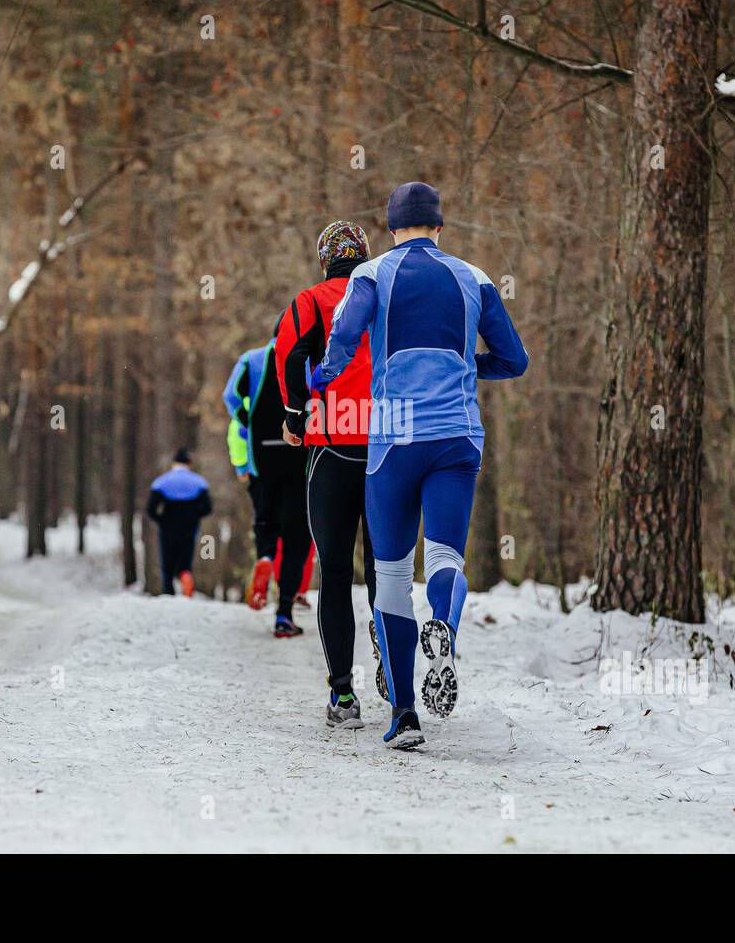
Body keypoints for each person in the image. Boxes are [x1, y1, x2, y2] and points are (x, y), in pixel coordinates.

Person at [313, 182, 528, 749]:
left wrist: (326, 376)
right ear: (439, 225)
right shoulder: (473, 277)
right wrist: (465, 368)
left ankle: (404, 714)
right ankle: (445, 629)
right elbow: (514, 359)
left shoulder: (372, 275)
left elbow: (345, 333)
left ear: (389, 228)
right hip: (456, 435)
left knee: (388, 575)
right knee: (446, 557)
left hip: (393, 439)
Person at [276, 220, 378, 730]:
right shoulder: (385, 292)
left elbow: (290, 354)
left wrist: (295, 418)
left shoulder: (311, 301)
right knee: (389, 568)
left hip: (332, 448)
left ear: (325, 260)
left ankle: (343, 695)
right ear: (364, 253)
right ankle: (394, 669)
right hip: (387, 446)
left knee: (335, 571)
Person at [222, 341, 312, 637]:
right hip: (299, 454)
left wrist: (248, 420)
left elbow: (231, 395)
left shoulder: (252, 359)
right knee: (297, 536)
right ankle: (284, 611)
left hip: (261, 455)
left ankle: (265, 556)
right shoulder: (309, 357)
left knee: (266, 517)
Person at [145, 448, 213, 597]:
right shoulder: (199, 482)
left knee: (167, 560)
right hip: (190, 524)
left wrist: (161, 520)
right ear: (189, 463)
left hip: (168, 524)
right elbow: (208, 508)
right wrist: (195, 516)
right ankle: (185, 576)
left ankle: (168, 592)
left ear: (174, 462)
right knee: (185, 557)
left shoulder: (161, 482)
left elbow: (150, 509)